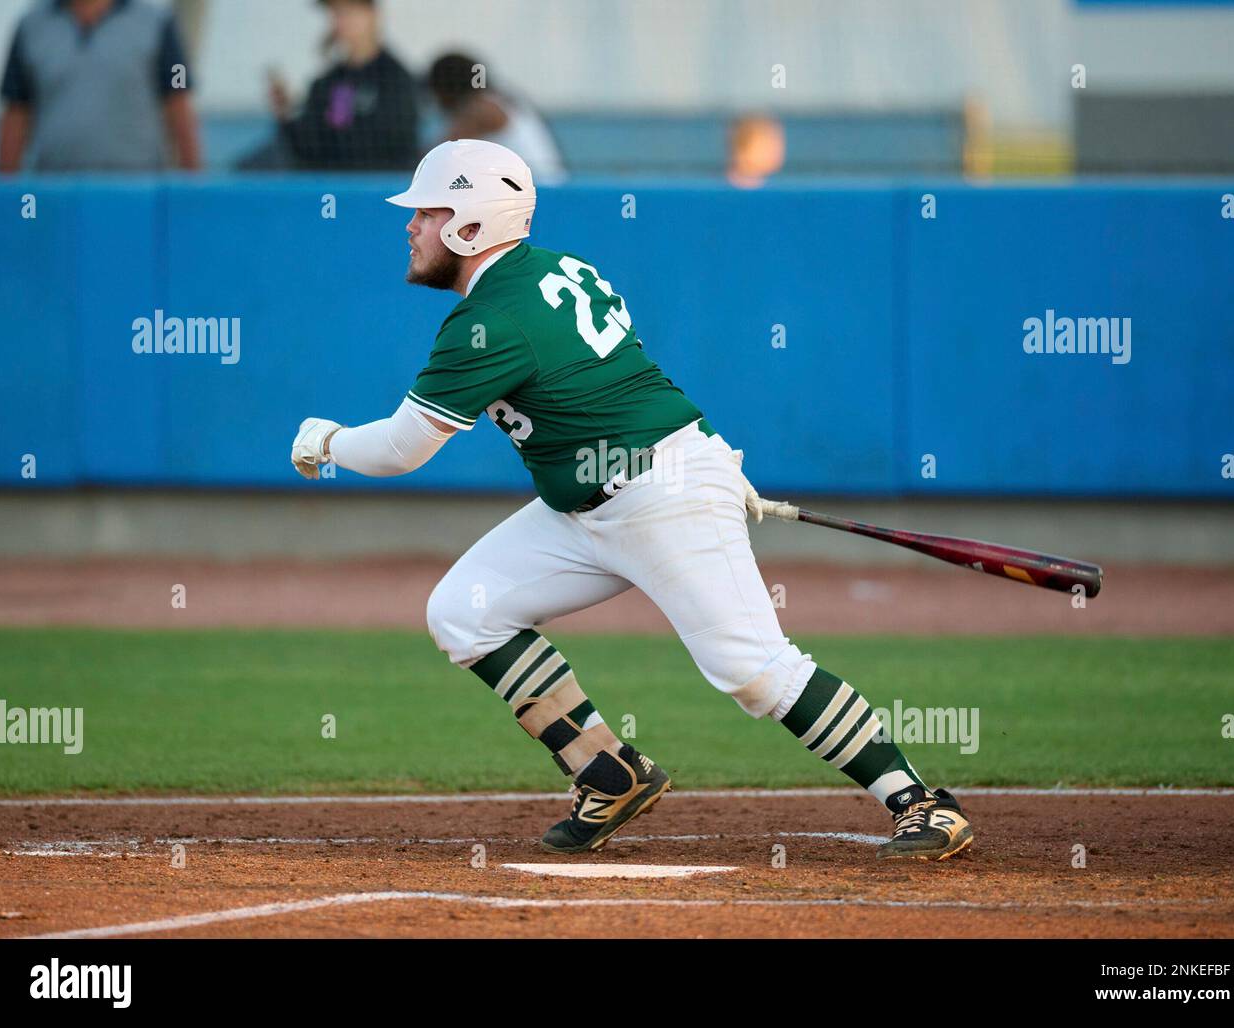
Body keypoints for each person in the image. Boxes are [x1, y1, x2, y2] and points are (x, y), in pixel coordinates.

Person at [290, 139, 973, 860]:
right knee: (465, 612)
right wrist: (707, 447)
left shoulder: (489, 321)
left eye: (426, 214)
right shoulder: (555, 270)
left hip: (658, 491)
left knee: (752, 670)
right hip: (595, 502)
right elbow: (631, 376)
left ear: (469, 226)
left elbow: (402, 448)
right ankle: (608, 771)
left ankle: (920, 802)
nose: (412, 227)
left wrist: (327, 441)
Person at [0, 0, 201, 173]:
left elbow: (179, 103)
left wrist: (194, 197)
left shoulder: (159, 24)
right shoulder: (30, 27)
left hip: (138, 198)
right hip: (53, 198)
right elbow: (15, 113)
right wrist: (2, 204)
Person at [267, 0, 419, 171]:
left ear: (373, 15)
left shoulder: (396, 80)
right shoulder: (327, 83)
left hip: (375, 191)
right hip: (330, 190)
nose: (342, 20)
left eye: (350, 11)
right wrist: (285, 113)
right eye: (336, 13)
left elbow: (396, 149)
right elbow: (307, 149)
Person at [427, 52, 565, 184]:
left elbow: (436, 157)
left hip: (540, 192)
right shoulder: (499, 99)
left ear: (446, 89)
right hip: (541, 187)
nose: (436, 102)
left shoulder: (481, 109)